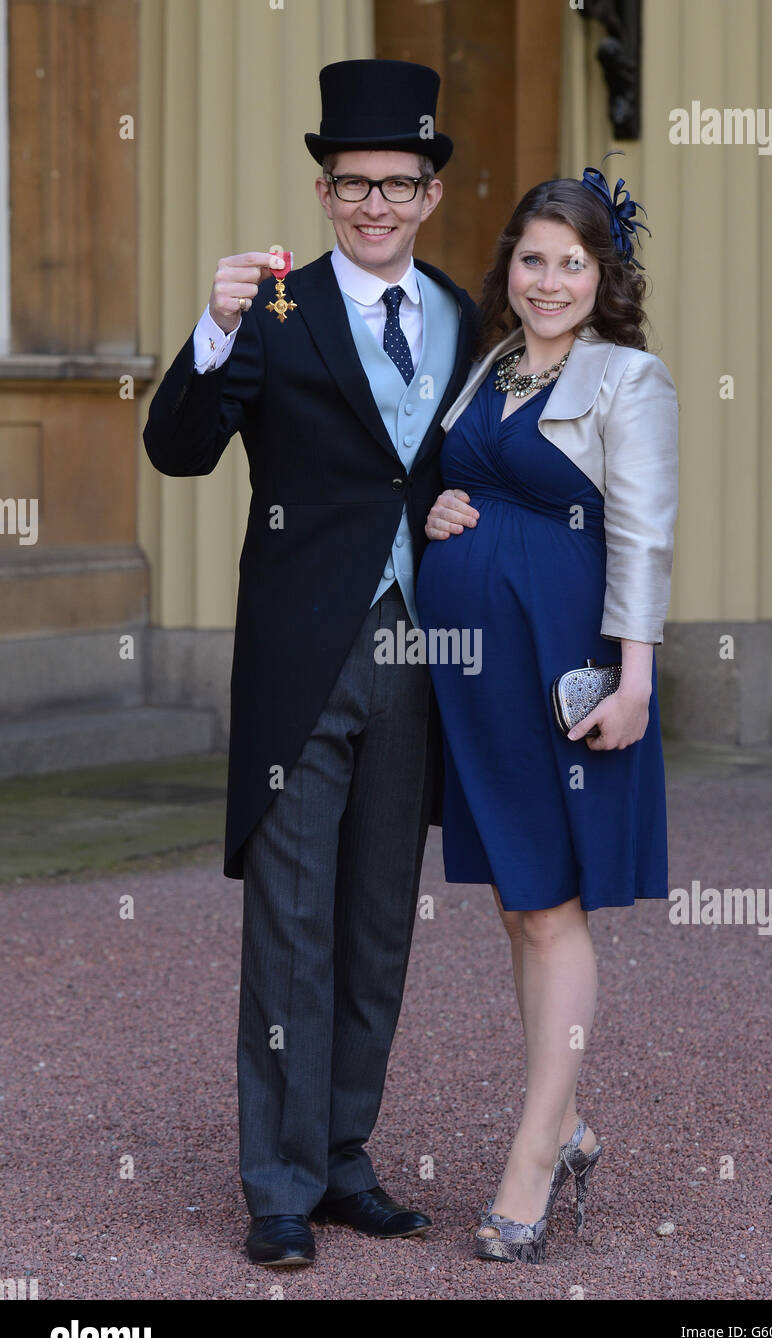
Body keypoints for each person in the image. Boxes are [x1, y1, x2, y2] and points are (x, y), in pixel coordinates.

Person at [143, 59, 479, 1268]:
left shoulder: (459, 314)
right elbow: (179, 449)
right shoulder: (274, 310)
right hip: (300, 658)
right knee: (292, 920)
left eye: (398, 182)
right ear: (325, 188)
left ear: (430, 192)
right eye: (353, 183)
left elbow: (457, 468)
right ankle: (276, 1183)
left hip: (417, 652)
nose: (375, 203)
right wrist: (214, 325)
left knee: (380, 914)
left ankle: (342, 1157)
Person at [416, 168, 679, 1263]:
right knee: (521, 903)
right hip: (475, 672)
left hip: (569, 668)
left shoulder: (631, 377)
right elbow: (437, 469)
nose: (549, 278)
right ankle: (562, 1116)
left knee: (555, 901)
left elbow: (645, 534)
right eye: (532, 256)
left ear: (602, 275)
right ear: (508, 267)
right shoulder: (488, 363)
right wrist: (430, 505)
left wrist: (636, 680)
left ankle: (535, 1150)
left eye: (572, 261)